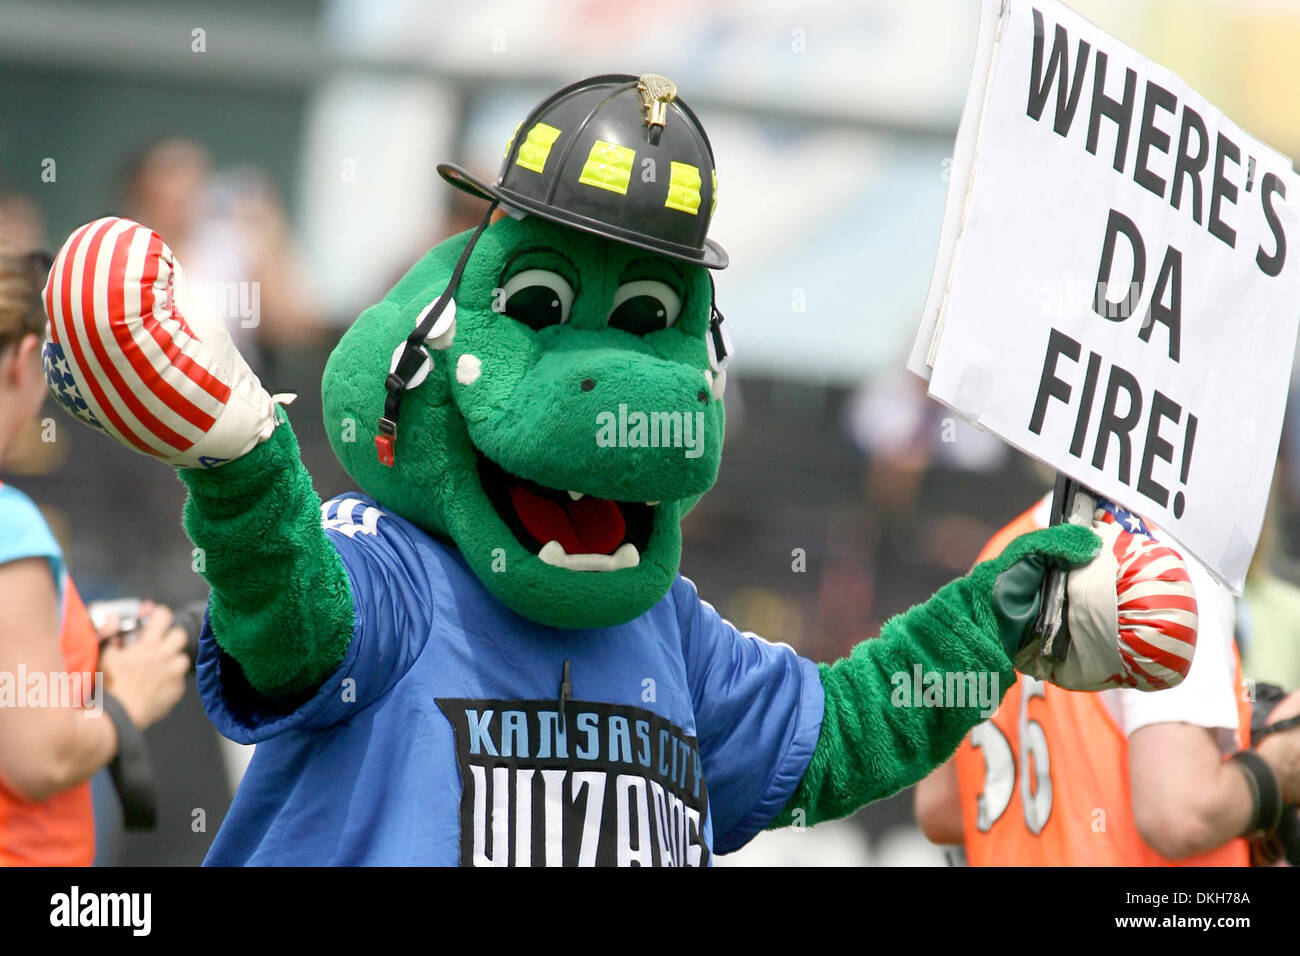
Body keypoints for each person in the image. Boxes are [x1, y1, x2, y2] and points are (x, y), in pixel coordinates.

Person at [914, 492, 1300, 865]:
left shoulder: (1001, 550)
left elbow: (942, 807)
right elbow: (1179, 816)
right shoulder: (1164, 561)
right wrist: (1276, 769)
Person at [0, 244, 189, 865]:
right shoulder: (11, 527)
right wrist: (128, 698)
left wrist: (72, 648)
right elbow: (41, 757)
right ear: (25, 361)